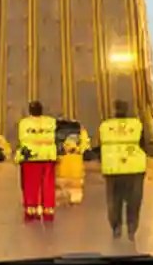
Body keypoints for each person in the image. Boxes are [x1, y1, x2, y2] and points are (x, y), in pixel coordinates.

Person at [97, 99, 148, 240]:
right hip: (135, 168)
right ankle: (132, 228)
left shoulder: (105, 126)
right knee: (134, 200)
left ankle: (116, 227)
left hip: (112, 168)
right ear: (127, 110)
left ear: (114, 110)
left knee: (114, 199)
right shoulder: (136, 125)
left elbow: (97, 148)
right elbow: (146, 145)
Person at [15, 100, 58, 222]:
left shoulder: (24, 123)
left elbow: (22, 139)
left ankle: (31, 209)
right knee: (48, 184)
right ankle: (48, 209)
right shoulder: (51, 122)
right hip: (48, 156)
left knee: (30, 185)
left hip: (30, 157)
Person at [55, 118, 90, 205]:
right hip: (76, 170)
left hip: (61, 169)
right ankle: (73, 201)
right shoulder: (81, 131)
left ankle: (61, 200)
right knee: (76, 195)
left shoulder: (57, 131)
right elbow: (85, 147)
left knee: (59, 191)